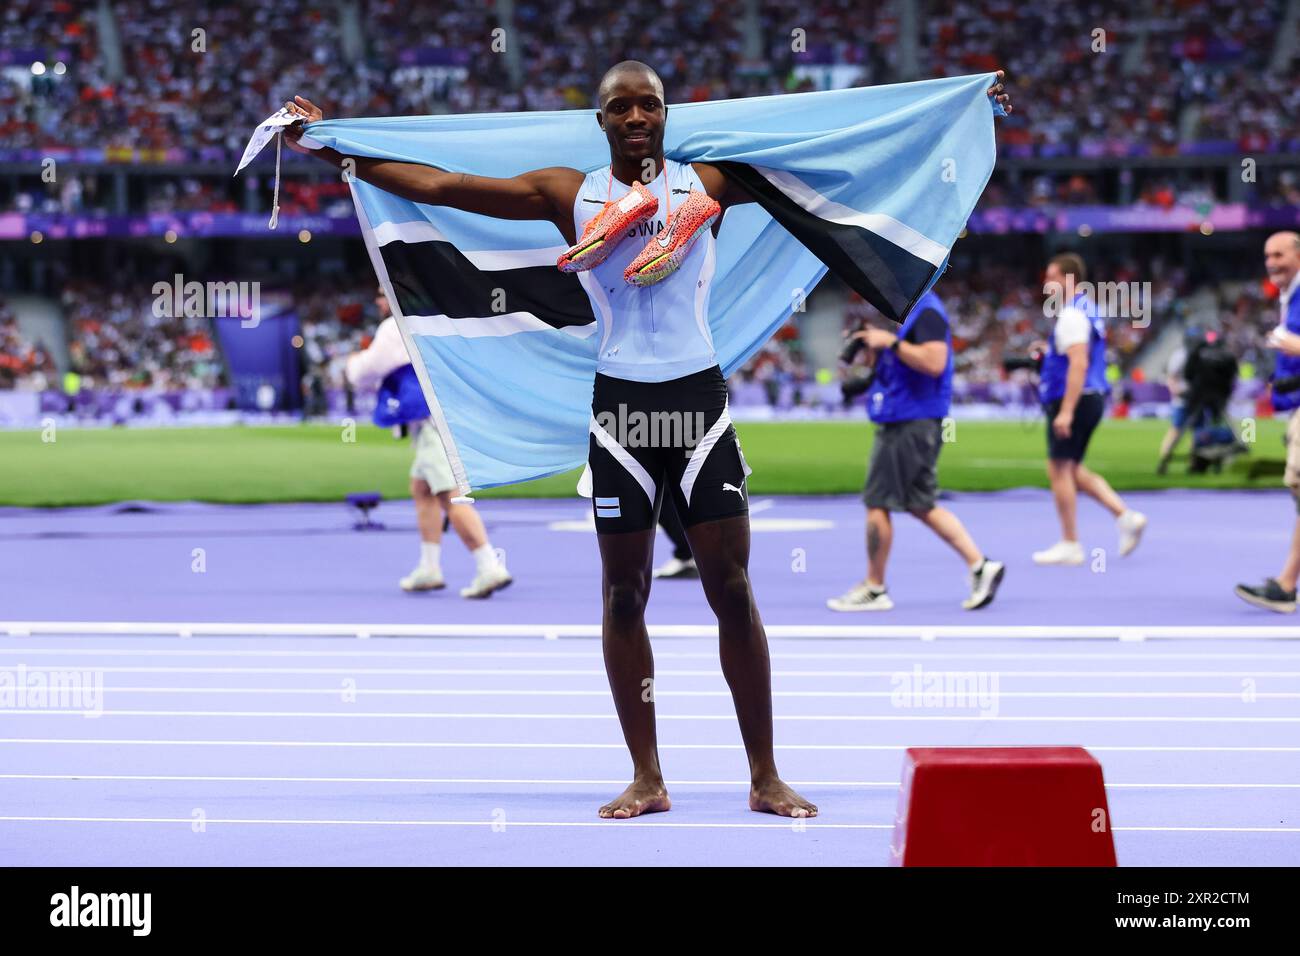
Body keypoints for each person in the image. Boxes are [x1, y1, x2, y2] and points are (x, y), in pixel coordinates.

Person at [285, 61, 1013, 819]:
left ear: (666, 115)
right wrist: (333, 147)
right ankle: (647, 777)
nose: (636, 116)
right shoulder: (567, 193)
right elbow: (440, 187)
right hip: (621, 410)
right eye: (620, 107)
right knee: (624, 592)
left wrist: (958, 108)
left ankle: (764, 775)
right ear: (600, 121)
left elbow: (836, 140)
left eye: (650, 105)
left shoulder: (711, 181)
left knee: (731, 588)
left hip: (698, 401)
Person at [828, 289, 1005, 611]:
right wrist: (877, 354)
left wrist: (890, 342)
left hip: (907, 423)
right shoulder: (919, 314)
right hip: (917, 421)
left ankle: (874, 587)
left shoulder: (926, 313)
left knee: (878, 502)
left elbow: (935, 362)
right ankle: (981, 565)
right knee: (921, 504)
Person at [345, 285, 512, 598]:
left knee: (450, 495)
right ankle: (430, 567)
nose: (379, 299)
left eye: (382, 292)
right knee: (421, 488)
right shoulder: (432, 316)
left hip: (435, 421)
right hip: (443, 417)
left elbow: (363, 373)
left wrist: (353, 360)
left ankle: (489, 565)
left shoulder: (396, 325)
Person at [1031, 252, 1148, 565]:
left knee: (1058, 469)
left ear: (1068, 279)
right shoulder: (1088, 310)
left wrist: (1066, 410)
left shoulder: (1072, 314)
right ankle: (1125, 517)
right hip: (1090, 395)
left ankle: (1070, 543)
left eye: (1052, 276)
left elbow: (1079, 362)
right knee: (1072, 469)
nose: (1047, 283)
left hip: (1076, 398)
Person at [1236, 231, 1300, 613]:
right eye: (1267, 256)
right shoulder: (1288, 295)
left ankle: (1286, 585)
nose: (1271, 262)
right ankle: (1286, 583)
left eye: (1279, 254)